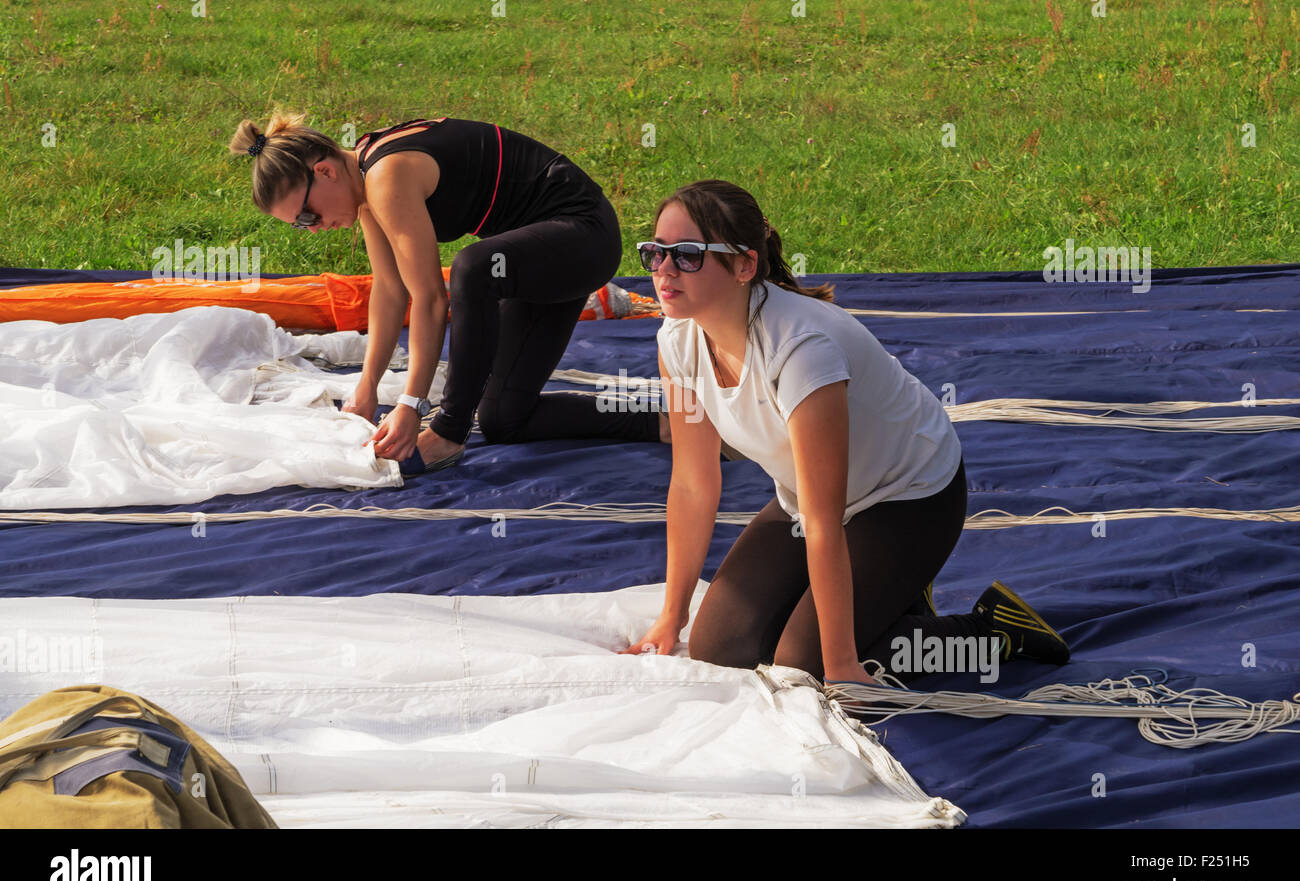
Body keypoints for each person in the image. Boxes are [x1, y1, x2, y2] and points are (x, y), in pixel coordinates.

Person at [621, 180, 1069, 686]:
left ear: (745, 266)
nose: (663, 270)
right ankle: (889, 601)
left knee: (802, 667)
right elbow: (692, 483)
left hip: (909, 497)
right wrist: (672, 617)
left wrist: (839, 666)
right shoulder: (677, 340)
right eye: (654, 253)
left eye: (687, 255)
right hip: (811, 503)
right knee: (719, 648)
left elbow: (824, 518)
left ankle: (992, 630)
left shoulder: (802, 350)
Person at [227, 112, 670, 475]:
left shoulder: (386, 176)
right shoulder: (364, 186)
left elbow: (430, 299)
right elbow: (389, 290)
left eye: (307, 216)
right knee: (503, 419)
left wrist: (411, 405)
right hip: (538, 259)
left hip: (582, 237)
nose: (314, 228)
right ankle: (666, 426)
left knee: (472, 269)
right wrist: (367, 387)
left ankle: (449, 432)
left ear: (323, 171)